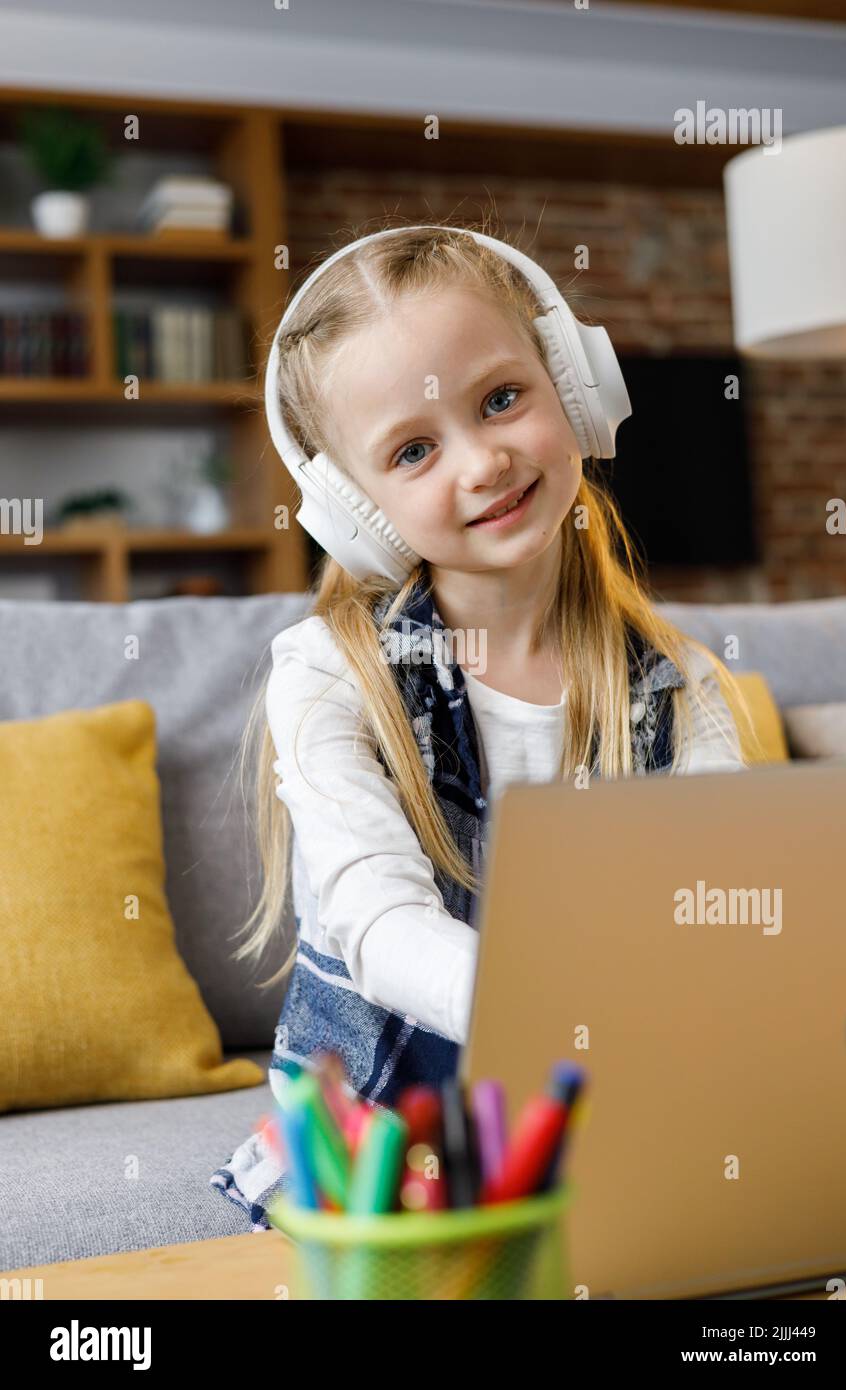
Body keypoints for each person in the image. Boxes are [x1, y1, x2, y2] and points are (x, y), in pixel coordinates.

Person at [210, 218, 751, 1227]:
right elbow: (381, 931)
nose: (482, 460)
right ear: (356, 510)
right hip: (391, 1134)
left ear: (571, 389)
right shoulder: (329, 676)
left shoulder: (675, 682)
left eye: (501, 398)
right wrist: (587, 1014)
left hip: (603, 1100)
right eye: (413, 449)